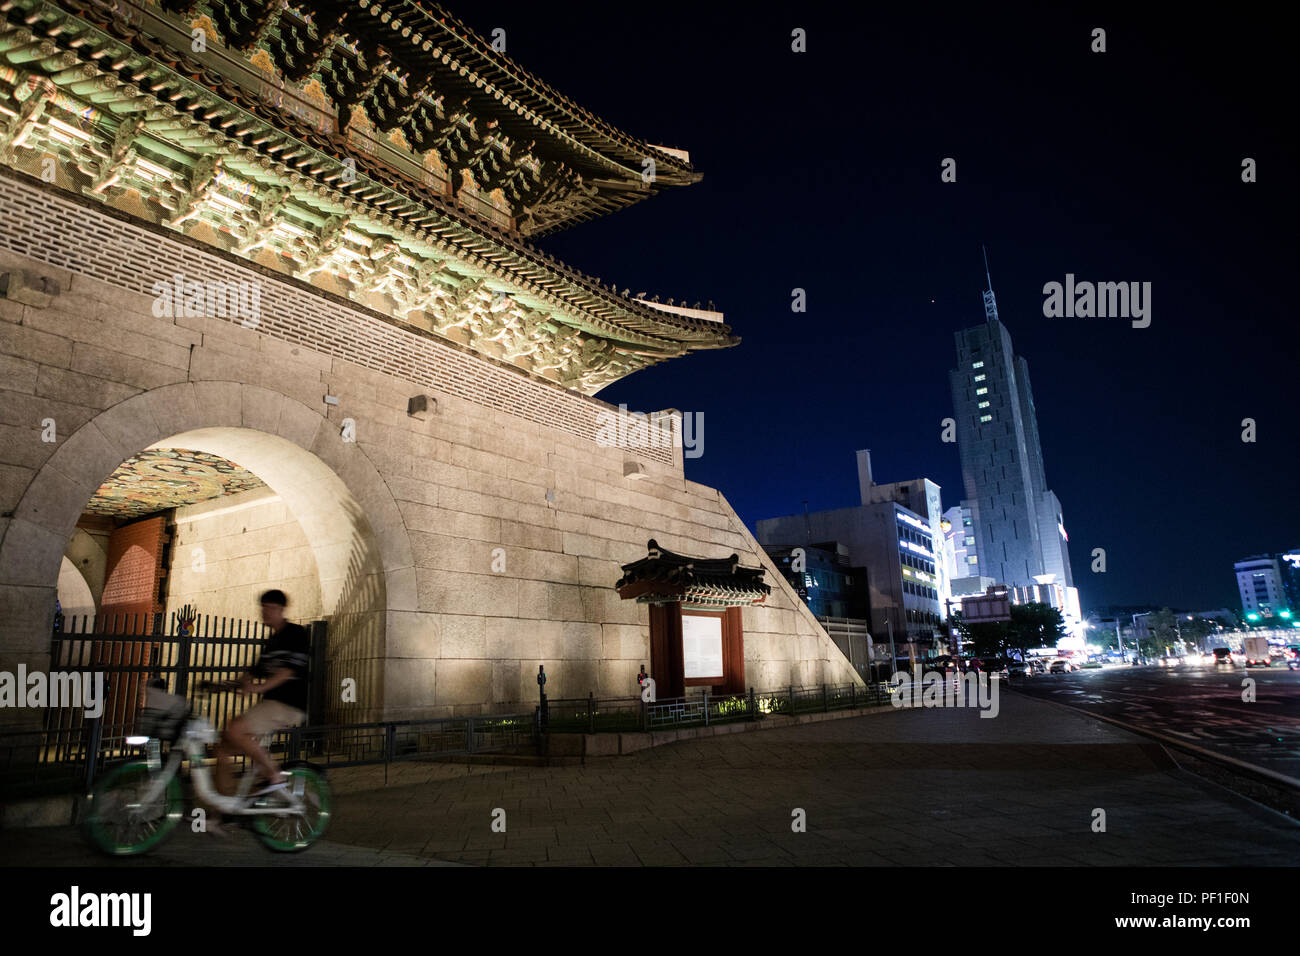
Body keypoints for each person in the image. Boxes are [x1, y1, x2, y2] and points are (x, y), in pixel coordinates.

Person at [211, 590, 310, 826]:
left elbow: (288, 672)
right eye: (262, 607)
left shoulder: (296, 634)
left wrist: (259, 688)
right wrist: (227, 685)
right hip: (269, 705)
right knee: (222, 748)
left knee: (235, 728)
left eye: (269, 607)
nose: (264, 612)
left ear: (281, 609)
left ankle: (275, 777)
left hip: (287, 704)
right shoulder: (271, 642)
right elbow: (253, 671)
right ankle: (226, 808)